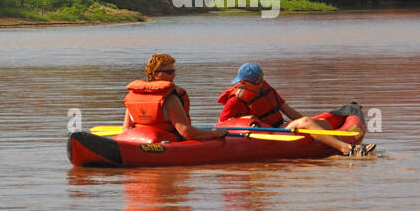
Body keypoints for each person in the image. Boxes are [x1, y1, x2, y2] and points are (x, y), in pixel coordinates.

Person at [216, 62, 362, 155]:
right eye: (256, 82)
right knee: (305, 122)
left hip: (280, 128)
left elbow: (287, 110)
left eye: (261, 80)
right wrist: (243, 120)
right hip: (266, 135)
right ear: (244, 83)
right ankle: (345, 148)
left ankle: (337, 148)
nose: (260, 83)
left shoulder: (265, 88)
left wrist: (310, 122)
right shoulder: (235, 100)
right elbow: (221, 124)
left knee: (322, 122)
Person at [123, 53, 226, 141]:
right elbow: (186, 131)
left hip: (140, 141)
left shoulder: (133, 96)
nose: (174, 75)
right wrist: (215, 133)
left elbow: (126, 129)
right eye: (169, 72)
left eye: (174, 71)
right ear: (155, 74)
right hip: (166, 143)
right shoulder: (169, 99)